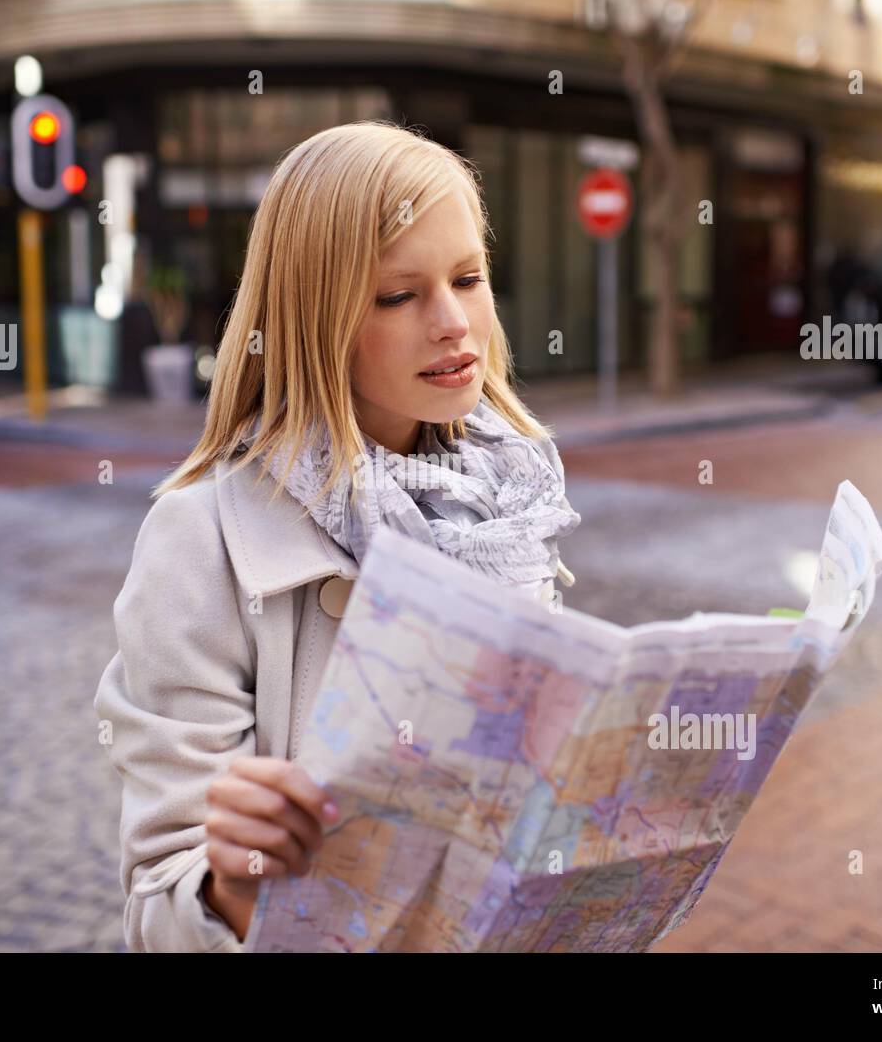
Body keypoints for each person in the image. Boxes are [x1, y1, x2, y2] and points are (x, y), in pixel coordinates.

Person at [94, 120, 581, 952]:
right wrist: (236, 887)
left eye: (468, 279)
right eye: (399, 295)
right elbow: (159, 904)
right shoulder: (199, 541)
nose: (453, 321)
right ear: (313, 317)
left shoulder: (512, 505)